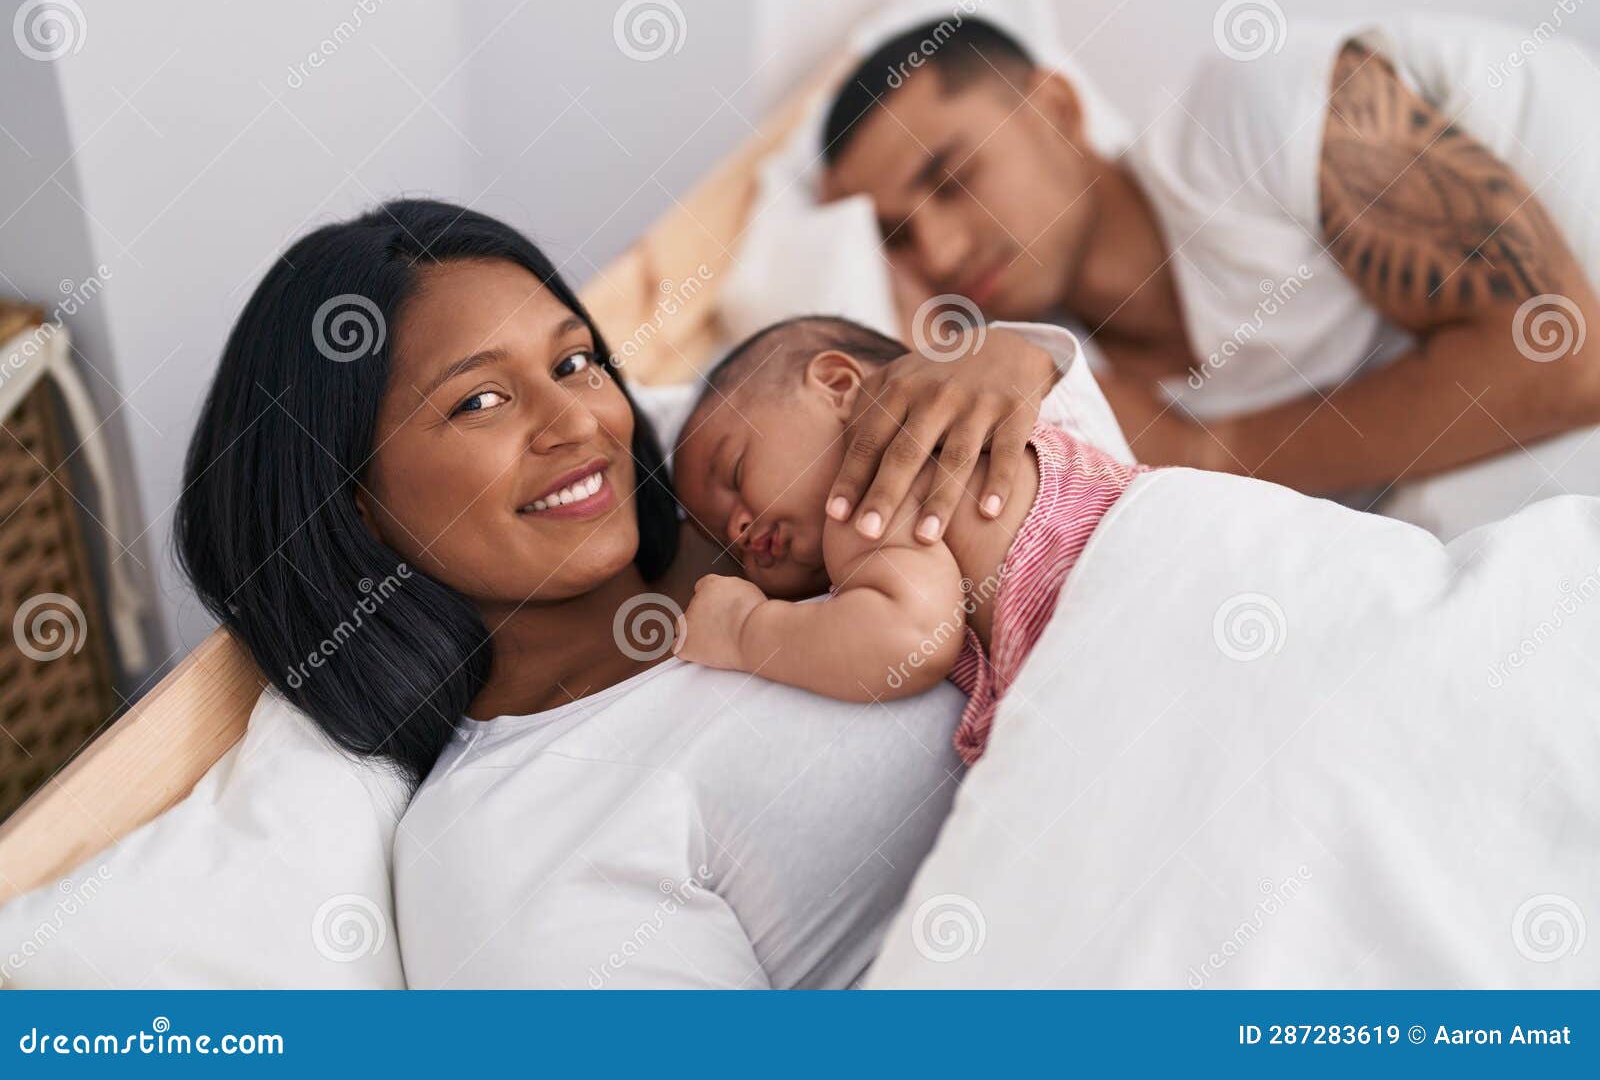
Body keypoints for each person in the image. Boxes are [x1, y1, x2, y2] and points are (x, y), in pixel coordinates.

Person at [174, 199, 1082, 987]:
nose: (580, 421)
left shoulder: (754, 483)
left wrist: (1020, 361)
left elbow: (1073, 504)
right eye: (480, 403)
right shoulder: (505, 846)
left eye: (574, 364)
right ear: (354, 504)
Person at [819, 15, 1600, 503]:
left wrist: (1217, 454)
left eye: (955, 179)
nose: (943, 250)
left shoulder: (1251, 108)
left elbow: (1567, 357)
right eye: (899, 236)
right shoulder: (1081, 400)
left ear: (1055, 108)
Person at [672, 315, 1141, 765]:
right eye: (724, 543)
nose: (737, 529)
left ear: (837, 385)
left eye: (734, 471)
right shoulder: (1003, 424)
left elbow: (910, 639)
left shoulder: (864, 499)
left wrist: (744, 631)